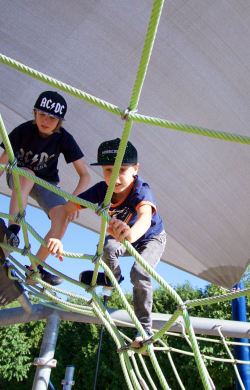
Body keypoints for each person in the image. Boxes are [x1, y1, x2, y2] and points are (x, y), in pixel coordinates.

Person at [45, 138, 165, 348]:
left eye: (122, 170)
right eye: (109, 170)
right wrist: (55, 235)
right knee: (107, 248)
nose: (115, 177)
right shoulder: (101, 191)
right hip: (123, 237)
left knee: (140, 272)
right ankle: (112, 278)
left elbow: (145, 218)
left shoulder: (140, 189)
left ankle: (144, 329)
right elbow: (64, 209)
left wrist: (130, 234)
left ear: (135, 169)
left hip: (150, 238)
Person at [0, 91, 90, 286]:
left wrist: (74, 200)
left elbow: (85, 175)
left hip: (47, 184)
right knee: (27, 173)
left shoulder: (64, 138)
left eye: (52, 118)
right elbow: (0, 164)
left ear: (59, 122)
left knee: (63, 216)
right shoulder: (23, 131)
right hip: (20, 177)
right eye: (42, 114)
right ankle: (13, 231)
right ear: (35, 113)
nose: (46, 120)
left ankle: (35, 269)